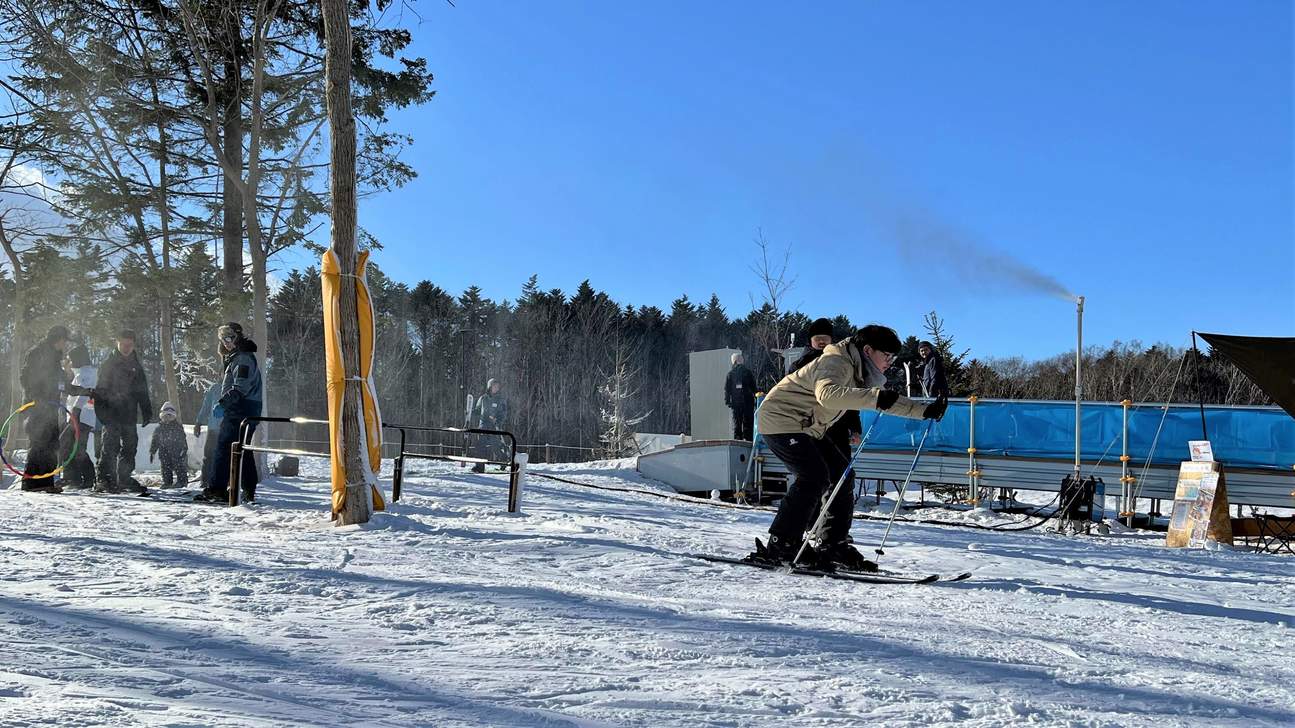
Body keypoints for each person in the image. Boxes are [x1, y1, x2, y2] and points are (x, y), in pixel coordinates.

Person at [751, 324, 947, 571]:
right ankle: (781, 543)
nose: (889, 362)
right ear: (868, 350)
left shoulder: (859, 368)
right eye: (886, 356)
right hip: (780, 420)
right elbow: (828, 395)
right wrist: (875, 398)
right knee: (813, 476)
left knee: (842, 476)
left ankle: (832, 545)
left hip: (808, 426)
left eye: (892, 357)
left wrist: (925, 411)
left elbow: (882, 400)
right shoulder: (837, 360)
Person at [790, 317, 863, 517]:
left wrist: (855, 427)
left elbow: (850, 398)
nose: (822, 342)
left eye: (825, 338)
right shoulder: (801, 365)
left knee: (841, 479)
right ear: (810, 340)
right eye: (817, 338)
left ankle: (833, 528)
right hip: (810, 429)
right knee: (814, 478)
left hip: (837, 429)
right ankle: (810, 522)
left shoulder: (841, 364)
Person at [196, 323, 262, 503]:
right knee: (242, 449)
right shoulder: (235, 357)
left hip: (241, 408)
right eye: (222, 338)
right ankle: (248, 489)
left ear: (237, 337)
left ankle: (217, 489)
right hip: (244, 408)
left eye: (229, 337)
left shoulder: (242, 359)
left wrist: (223, 403)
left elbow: (240, 387)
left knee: (224, 448)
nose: (226, 342)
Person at [95, 329, 152, 493]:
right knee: (110, 446)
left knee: (130, 446)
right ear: (117, 343)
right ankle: (104, 480)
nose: (126, 347)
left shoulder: (136, 365)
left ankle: (124, 478)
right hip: (111, 414)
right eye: (123, 344)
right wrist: (103, 415)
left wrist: (146, 410)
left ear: (133, 345)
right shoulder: (108, 364)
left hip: (129, 414)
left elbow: (142, 390)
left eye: (130, 344)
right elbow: (100, 392)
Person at [18, 325, 72, 492]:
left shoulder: (56, 357)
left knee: (51, 444)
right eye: (64, 341)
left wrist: (77, 388)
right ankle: (30, 483)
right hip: (37, 407)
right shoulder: (38, 352)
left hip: (50, 407)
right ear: (59, 339)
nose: (65, 345)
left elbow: (61, 382)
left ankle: (46, 482)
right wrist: (36, 397)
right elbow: (26, 377)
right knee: (39, 443)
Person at [59, 345, 98, 491]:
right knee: (70, 446)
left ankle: (86, 478)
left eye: (71, 359)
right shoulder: (81, 373)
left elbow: (85, 394)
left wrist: (75, 412)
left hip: (81, 417)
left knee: (75, 447)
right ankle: (74, 478)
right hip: (78, 416)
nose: (69, 362)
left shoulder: (87, 373)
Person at [471, 378, 508, 473]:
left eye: (497, 386)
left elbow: (503, 413)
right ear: (489, 387)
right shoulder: (483, 398)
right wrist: (470, 412)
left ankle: (503, 462)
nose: (496, 388)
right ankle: (479, 467)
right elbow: (478, 410)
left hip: (493, 426)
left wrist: (498, 421)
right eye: (494, 386)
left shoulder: (500, 400)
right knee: (480, 446)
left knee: (495, 446)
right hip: (483, 426)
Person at [150, 402, 188, 489]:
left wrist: (184, 448)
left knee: (179, 465)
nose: (167, 418)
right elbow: (155, 441)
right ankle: (167, 482)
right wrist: (152, 451)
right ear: (162, 416)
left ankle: (182, 481)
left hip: (176, 451)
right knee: (165, 467)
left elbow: (183, 439)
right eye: (165, 416)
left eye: (170, 416)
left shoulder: (177, 427)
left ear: (173, 417)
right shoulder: (159, 429)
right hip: (163, 451)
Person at [193, 381, 223, 492]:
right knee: (208, 456)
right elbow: (206, 406)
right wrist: (199, 422)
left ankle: (223, 483)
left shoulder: (234, 387)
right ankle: (205, 481)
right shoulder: (215, 388)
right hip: (213, 429)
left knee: (225, 457)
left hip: (228, 429)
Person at [724, 352, 756, 441]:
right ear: (741, 360)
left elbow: (727, 389)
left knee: (737, 424)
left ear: (733, 361)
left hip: (736, 403)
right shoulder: (748, 372)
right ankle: (749, 440)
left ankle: (738, 441)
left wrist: (727, 401)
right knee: (748, 423)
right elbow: (753, 387)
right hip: (748, 402)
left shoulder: (730, 374)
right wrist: (756, 397)